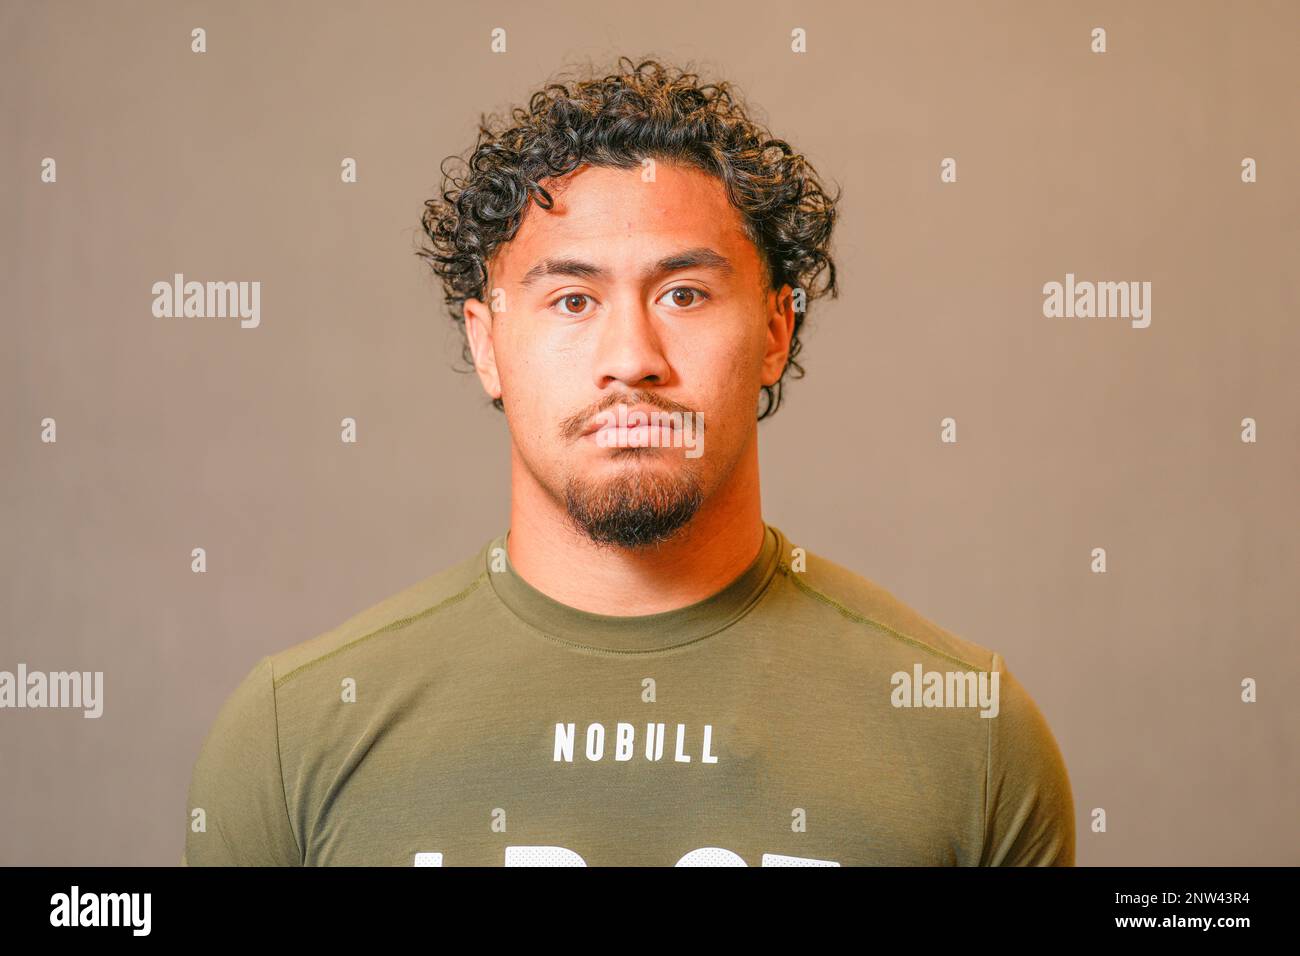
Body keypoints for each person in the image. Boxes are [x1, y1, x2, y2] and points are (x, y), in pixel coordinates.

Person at [182, 56, 1074, 867]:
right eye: (572, 300)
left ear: (774, 330)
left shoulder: (970, 733)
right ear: (487, 345)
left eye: (684, 294)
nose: (631, 356)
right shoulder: (293, 736)